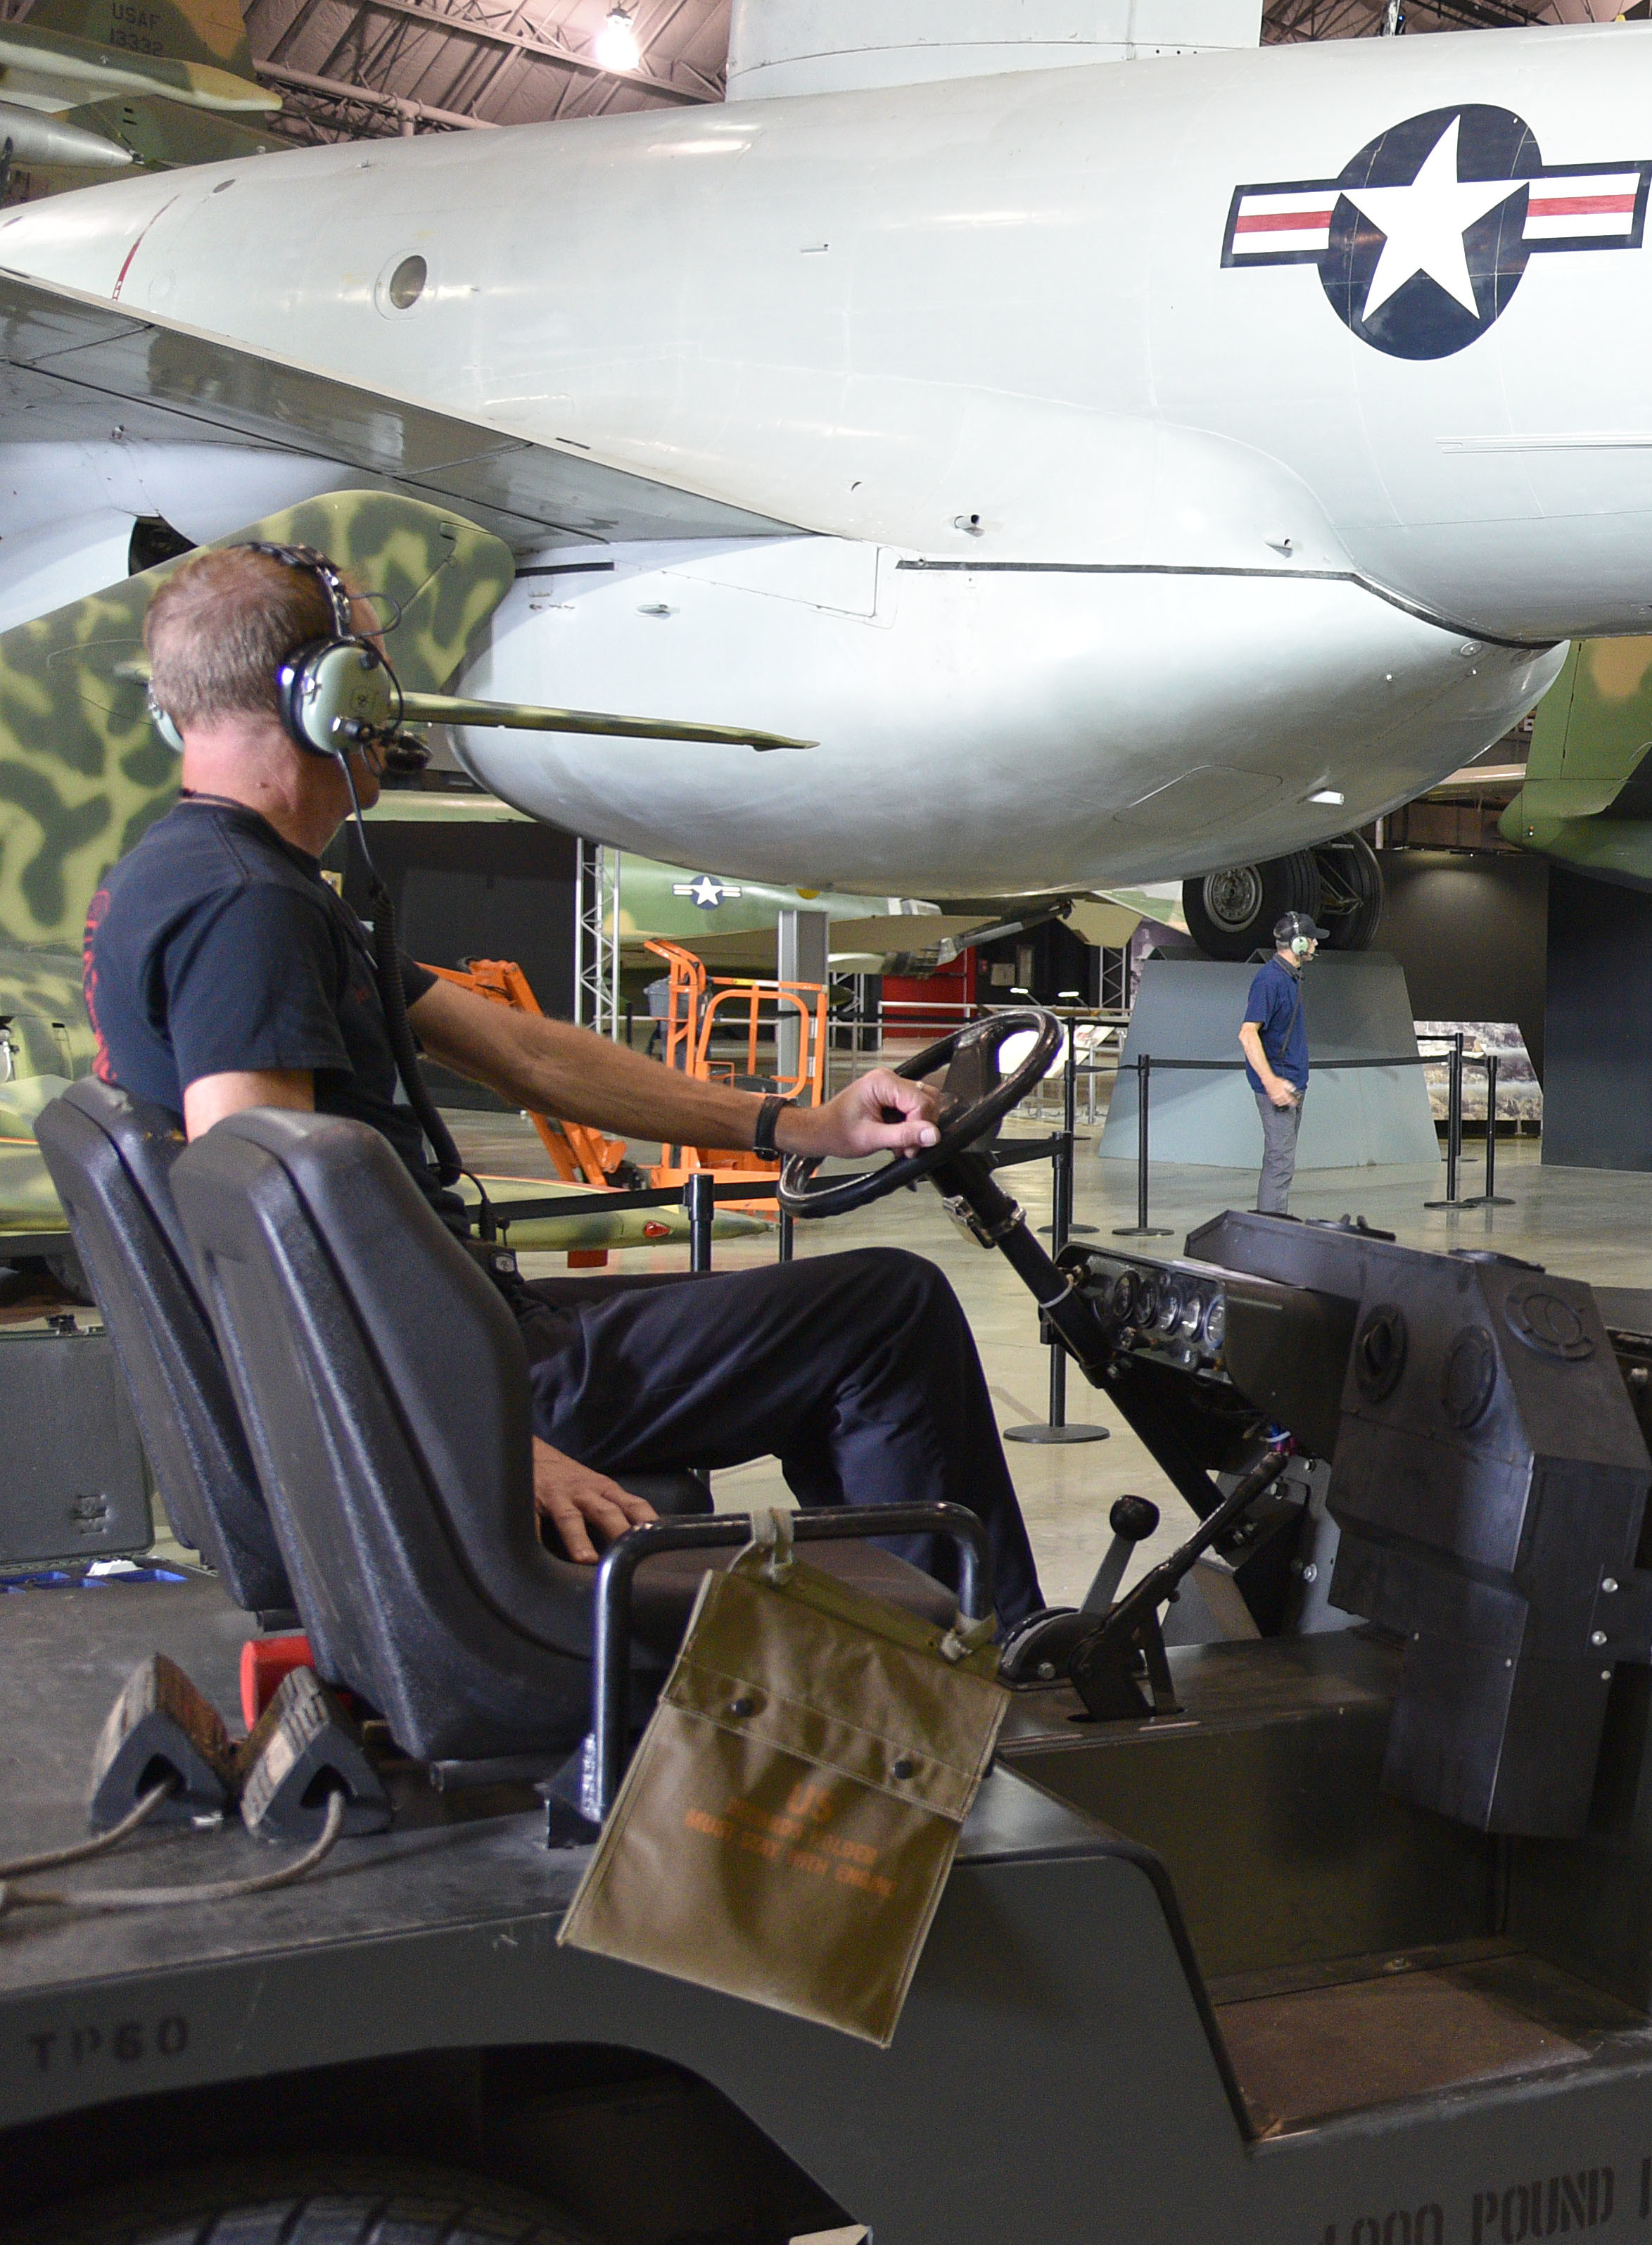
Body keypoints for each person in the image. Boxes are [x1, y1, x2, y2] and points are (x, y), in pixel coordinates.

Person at [80, 543, 1044, 1621]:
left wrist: (797, 1121)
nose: (389, 709)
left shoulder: (195, 877)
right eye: (378, 675)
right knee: (886, 1309)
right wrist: (488, 1444)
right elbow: (258, 1243)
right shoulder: (244, 910)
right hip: (443, 1381)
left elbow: (528, 1054)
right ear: (328, 700)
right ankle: (972, 1673)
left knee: (817, 1315)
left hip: (456, 1335)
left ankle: (874, 1643)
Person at [1236, 909, 1320, 1215]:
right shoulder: (1270, 980)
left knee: (1282, 1162)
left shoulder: (1289, 977)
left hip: (1291, 1082)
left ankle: (1273, 1227)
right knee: (1279, 1164)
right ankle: (1271, 1232)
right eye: (1311, 941)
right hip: (1279, 1086)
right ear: (1298, 943)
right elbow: (1248, 1035)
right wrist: (1272, 1084)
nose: (1315, 946)